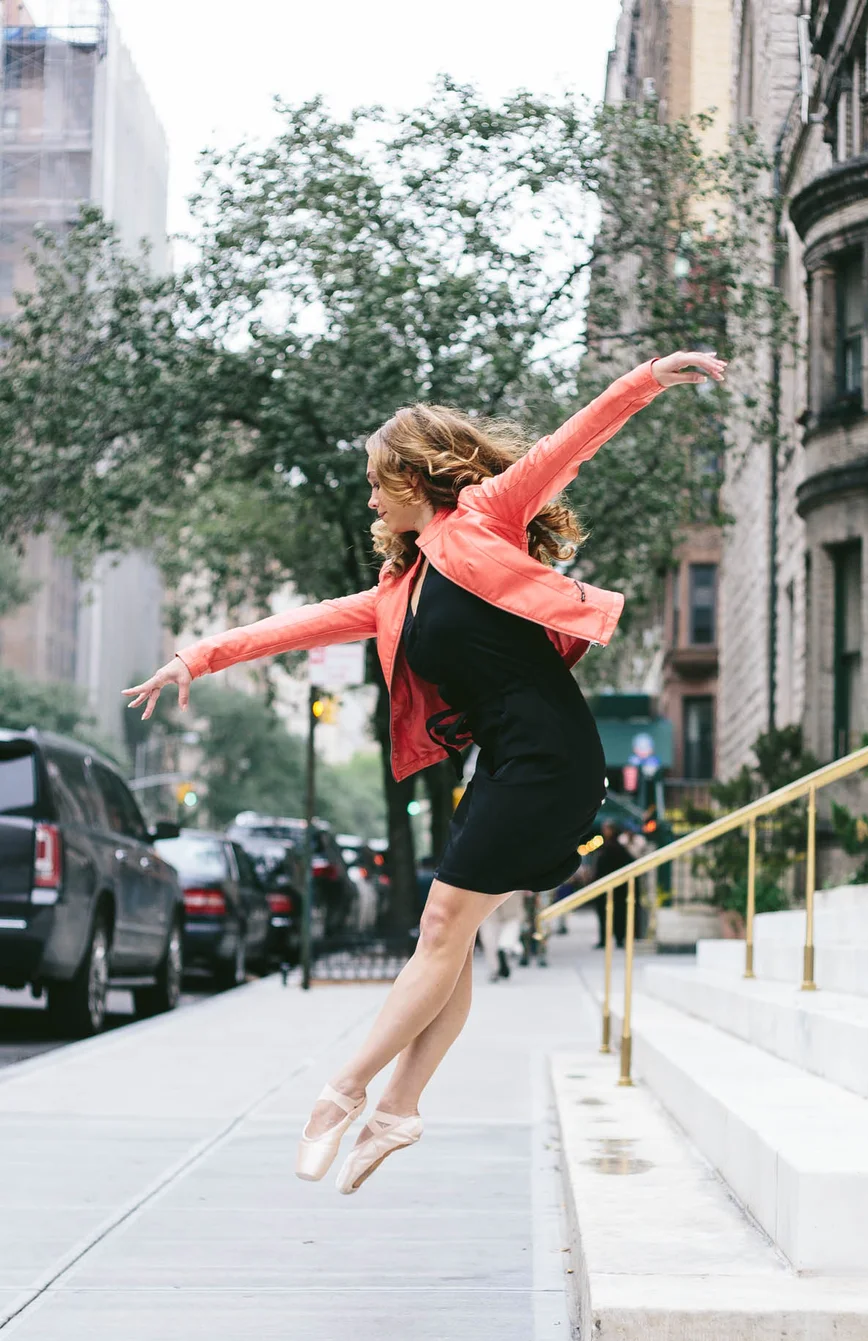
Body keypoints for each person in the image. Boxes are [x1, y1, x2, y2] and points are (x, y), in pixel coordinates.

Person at [123, 350, 726, 1195]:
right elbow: (294, 627)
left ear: (416, 475)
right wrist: (197, 659)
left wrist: (650, 378)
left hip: (551, 755)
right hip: (503, 760)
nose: (370, 499)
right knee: (452, 940)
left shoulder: (484, 518)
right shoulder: (399, 591)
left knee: (443, 925)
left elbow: (563, 446)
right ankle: (400, 1106)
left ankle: (342, 1091)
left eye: (378, 481)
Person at [591, 820, 633, 948]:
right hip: (607, 887)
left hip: (615, 888)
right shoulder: (606, 846)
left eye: (607, 829)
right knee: (606, 915)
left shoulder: (615, 847)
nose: (605, 831)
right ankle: (606, 939)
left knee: (617, 914)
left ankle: (618, 938)